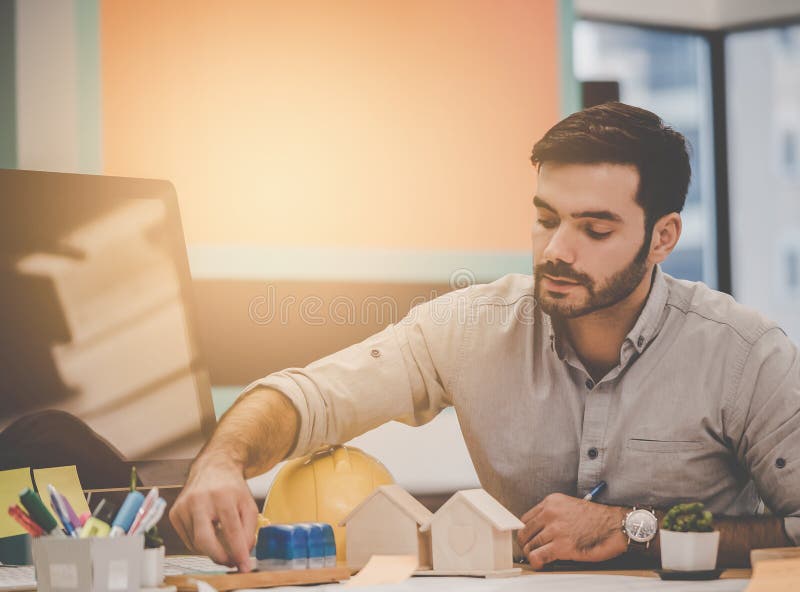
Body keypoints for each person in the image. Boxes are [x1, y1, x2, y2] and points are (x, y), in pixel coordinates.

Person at [170, 102, 800, 572]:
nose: (556, 251)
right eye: (545, 219)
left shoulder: (746, 356)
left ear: (663, 237)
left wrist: (635, 529)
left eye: (595, 230)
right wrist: (223, 461)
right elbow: (312, 398)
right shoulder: (470, 327)